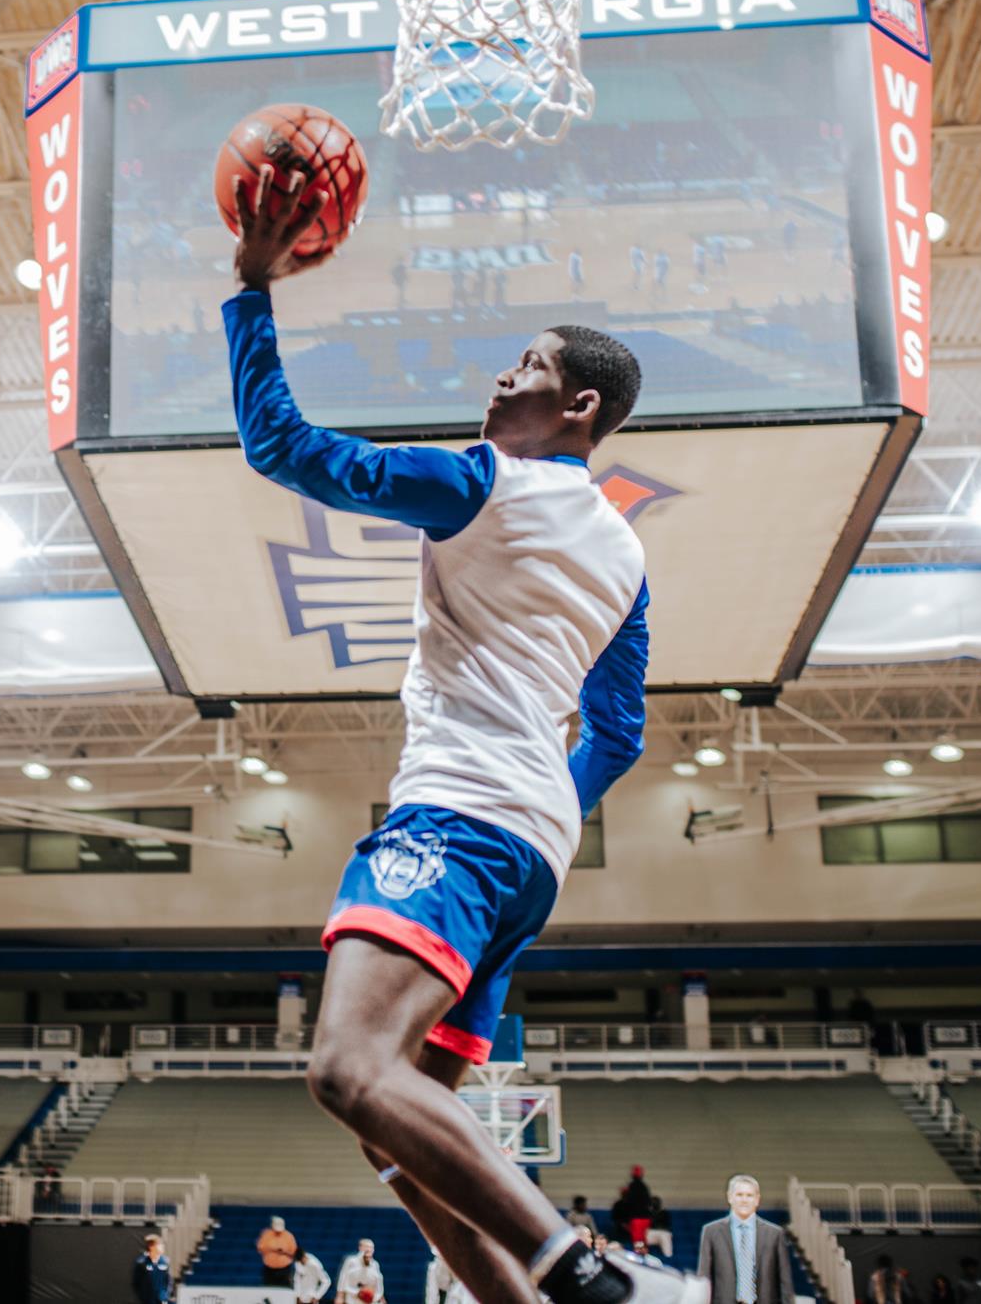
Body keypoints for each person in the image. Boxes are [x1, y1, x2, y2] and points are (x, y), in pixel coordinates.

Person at [226, 162, 679, 1304]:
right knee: (399, 1127)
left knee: (345, 1069)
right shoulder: (624, 554)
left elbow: (283, 447)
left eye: (526, 366)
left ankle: (586, 1274)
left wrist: (252, 287)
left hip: (460, 818)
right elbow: (617, 731)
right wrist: (544, 809)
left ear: (578, 408)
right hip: (531, 851)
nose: (500, 376)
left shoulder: (489, 482)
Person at [698, 1175, 793, 1304]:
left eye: (749, 1195)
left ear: (757, 1199)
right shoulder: (711, 1231)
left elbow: (785, 1282)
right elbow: (704, 1279)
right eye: (739, 1195)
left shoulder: (775, 1234)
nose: (744, 1200)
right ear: (730, 1197)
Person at [339, 1240, 384, 1304]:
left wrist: (373, 1297)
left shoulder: (375, 1265)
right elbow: (344, 1281)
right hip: (353, 1299)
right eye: (366, 1247)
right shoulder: (351, 1262)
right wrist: (358, 1293)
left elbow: (379, 1287)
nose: (369, 1249)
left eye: (371, 1247)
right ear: (360, 1247)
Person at [131, 1233, 171, 1304]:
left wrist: (165, 1295)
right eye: (159, 1244)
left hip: (161, 1300)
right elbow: (136, 1283)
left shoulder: (165, 1262)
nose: (162, 1247)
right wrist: (143, 1297)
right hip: (147, 1300)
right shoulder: (142, 1263)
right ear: (151, 1246)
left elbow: (168, 1281)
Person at [260, 1216, 299, 1286]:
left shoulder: (288, 1236)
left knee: (284, 1288)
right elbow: (261, 1248)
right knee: (269, 1288)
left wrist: (283, 1251)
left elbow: (293, 1251)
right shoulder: (266, 1235)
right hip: (269, 1269)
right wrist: (273, 1248)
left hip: (284, 1269)